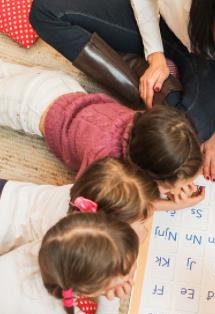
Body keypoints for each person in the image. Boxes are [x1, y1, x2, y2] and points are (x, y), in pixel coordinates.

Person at [29, 0, 215, 180]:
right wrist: (154, 54)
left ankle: (137, 71)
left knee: (186, 134)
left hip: (210, 65)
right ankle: (144, 70)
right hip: (159, 22)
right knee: (46, 11)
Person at [0, 59, 204, 207]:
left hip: (59, 86)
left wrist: (175, 179)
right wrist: (173, 204)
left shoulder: (144, 126)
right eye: (167, 190)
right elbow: (101, 202)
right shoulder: (105, 160)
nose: (170, 193)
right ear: (143, 172)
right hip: (27, 106)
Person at [0, 213, 138, 314]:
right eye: (127, 273)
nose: (134, 268)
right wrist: (111, 297)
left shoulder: (55, 242)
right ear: (89, 292)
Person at [0, 157, 160, 256]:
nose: (144, 227)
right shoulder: (67, 242)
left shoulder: (86, 191)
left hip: (9, 191)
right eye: (138, 223)